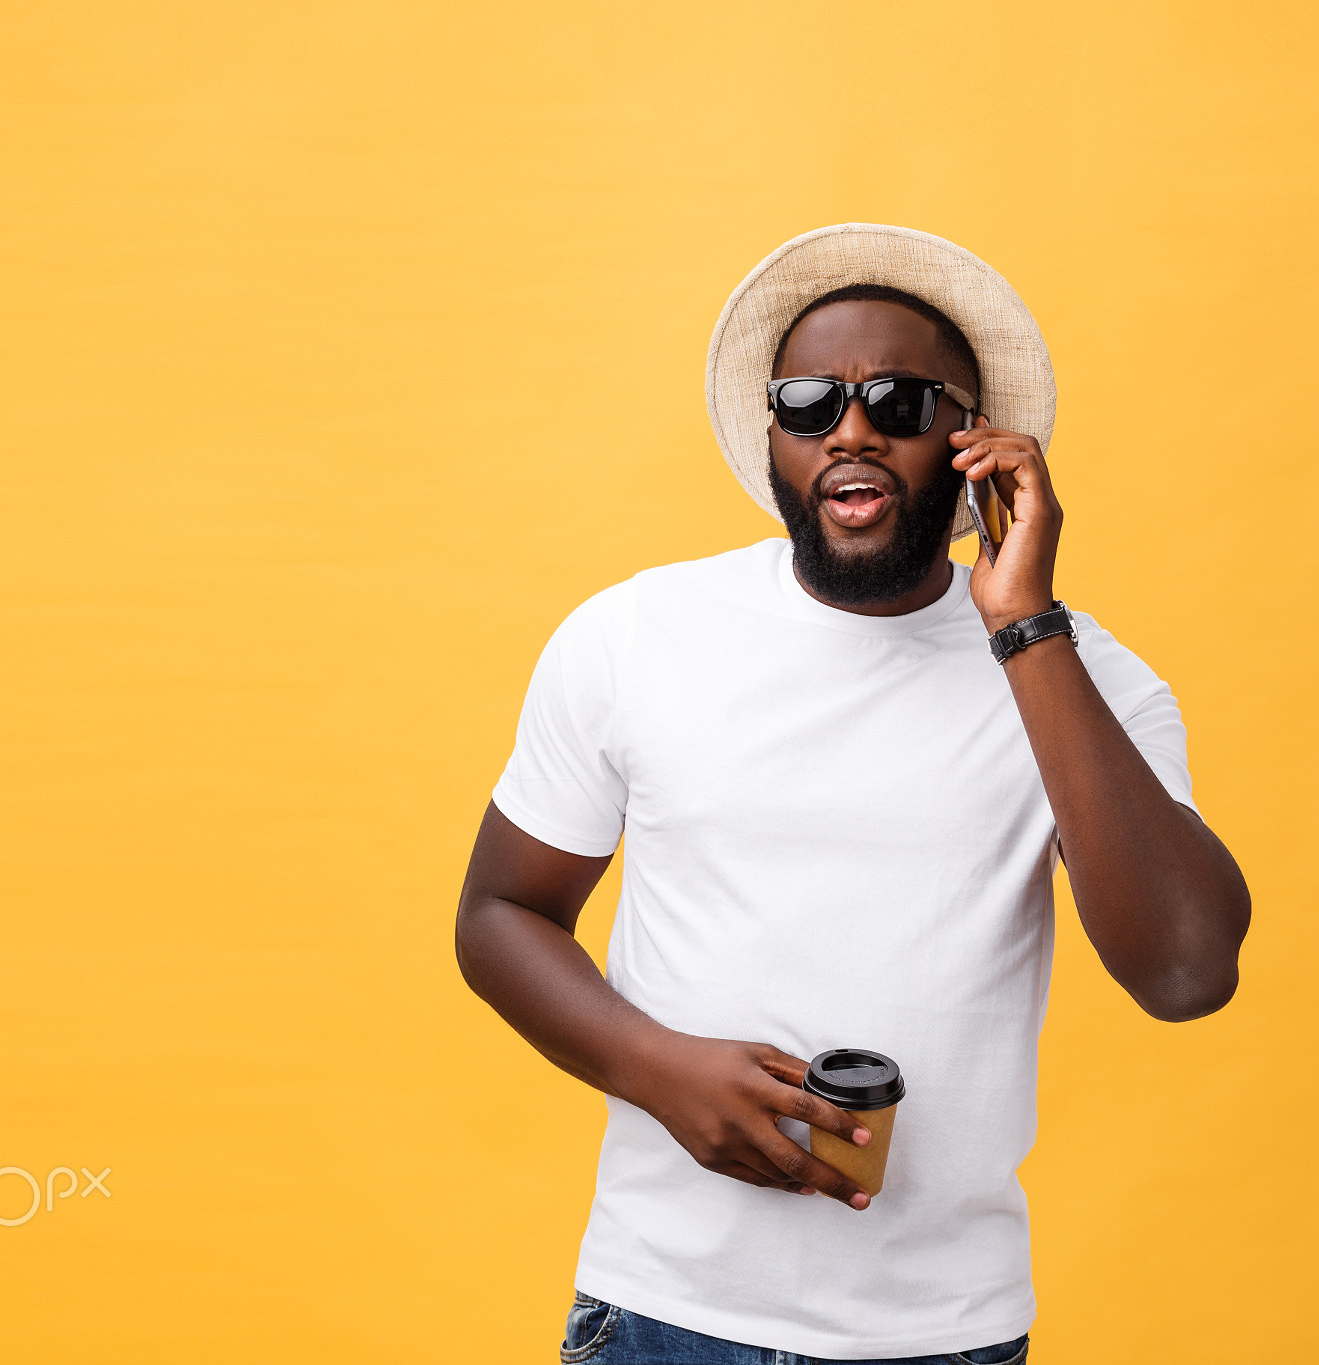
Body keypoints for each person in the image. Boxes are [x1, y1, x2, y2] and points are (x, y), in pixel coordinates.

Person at [455, 223, 1251, 1364]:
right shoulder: (634, 635)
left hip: (943, 1333)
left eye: (899, 400)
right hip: (663, 1315)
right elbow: (499, 915)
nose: (854, 431)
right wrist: (657, 1072)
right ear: (774, 434)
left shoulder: (1082, 681)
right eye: (810, 402)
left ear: (974, 440)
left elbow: (1184, 971)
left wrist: (1023, 626)